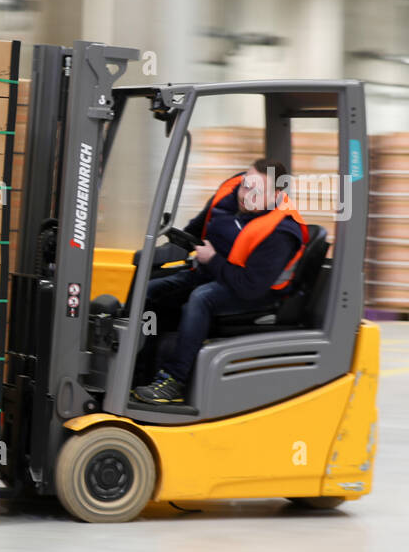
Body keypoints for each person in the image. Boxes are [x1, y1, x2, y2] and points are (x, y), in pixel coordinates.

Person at [132, 158, 308, 405]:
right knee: (150, 290)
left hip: (256, 293)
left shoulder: (282, 232)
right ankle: (139, 368)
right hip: (213, 272)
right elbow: (196, 228)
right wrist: (169, 249)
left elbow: (250, 286)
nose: (244, 195)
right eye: (245, 185)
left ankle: (173, 381)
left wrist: (212, 259)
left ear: (276, 195)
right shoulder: (231, 194)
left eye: (255, 192)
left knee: (201, 298)